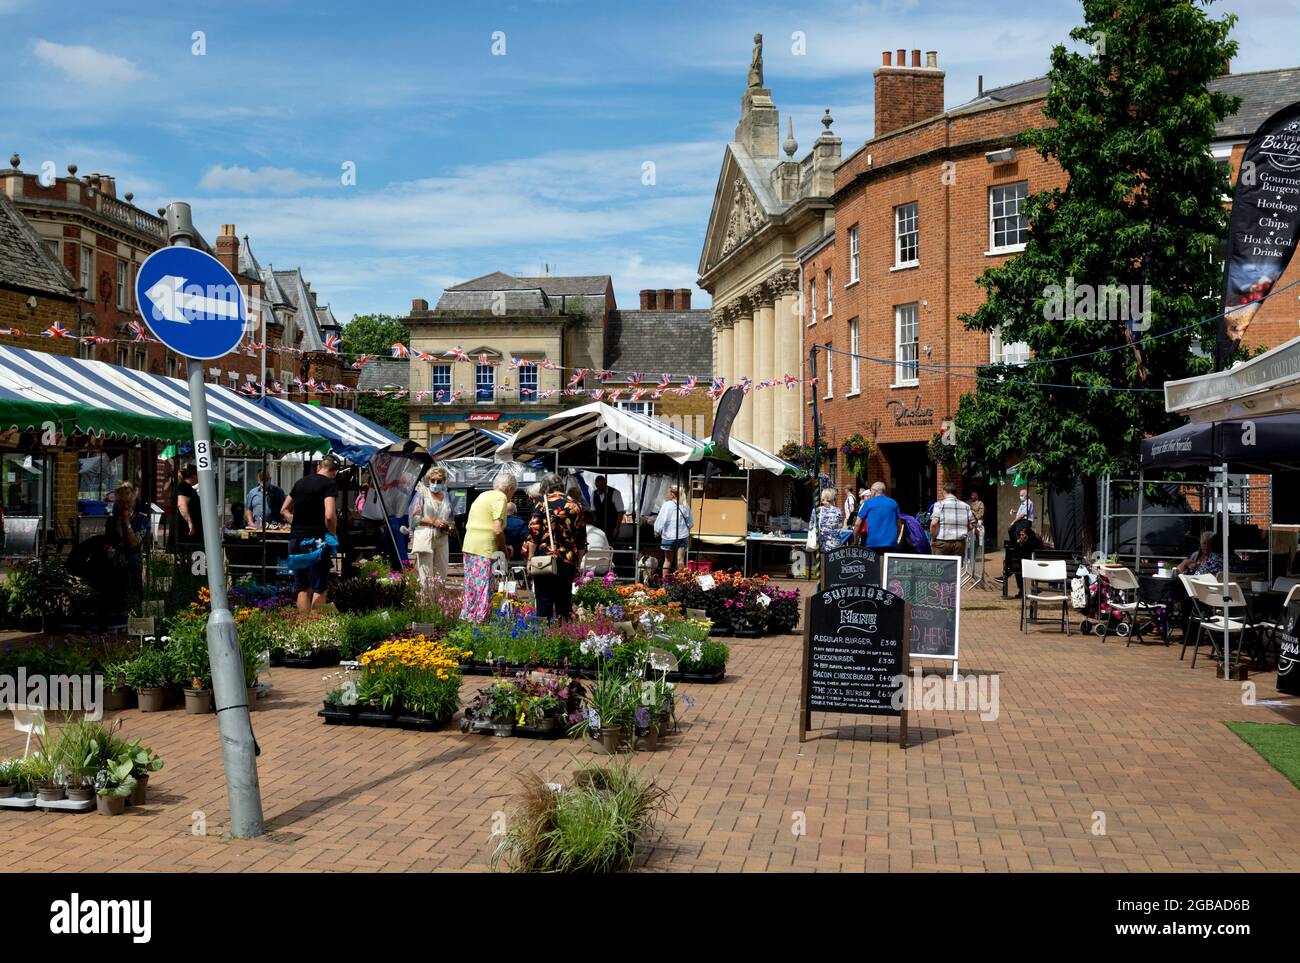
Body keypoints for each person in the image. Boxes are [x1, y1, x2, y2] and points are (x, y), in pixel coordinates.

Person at [281, 455, 340, 613]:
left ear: (318, 467)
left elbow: (284, 510)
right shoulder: (329, 484)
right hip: (316, 542)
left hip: (295, 540)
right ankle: (315, 629)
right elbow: (329, 515)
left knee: (303, 587)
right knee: (319, 588)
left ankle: (303, 627)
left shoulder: (300, 483)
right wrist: (333, 534)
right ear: (334, 472)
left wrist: (298, 521)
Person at [524, 473, 587, 620]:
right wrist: (578, 561)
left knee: (543, 597)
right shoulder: (575, 505)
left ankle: (545, 633)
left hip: (543, 558)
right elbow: (581, 539)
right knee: (564, 599)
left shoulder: (541, 504)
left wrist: (530, 559)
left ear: (545, 488)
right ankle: (563, 632)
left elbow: (534, 535)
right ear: (562, 487)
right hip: (567, 558)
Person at [461, 472, 517, 622]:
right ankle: (481, 622)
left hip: (469, 545)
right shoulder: (501, 497)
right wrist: (503, 550)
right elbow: (497, 529)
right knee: (484, 587)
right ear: (510, 489)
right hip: (484, 548)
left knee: (472, 587)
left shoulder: (483, 495)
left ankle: (469, 619)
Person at [409, 465, 453, 585]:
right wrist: (433, 522)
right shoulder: (422, 494)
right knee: (426, 575)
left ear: (444, 482)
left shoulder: (447, 496)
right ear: (428, 480)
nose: (435, 483)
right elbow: (414, 519)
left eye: (439, 481)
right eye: (432, 480)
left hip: (442, 538)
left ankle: (438, 602)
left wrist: (447, 526)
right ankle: (426, 602)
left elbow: (450, 519)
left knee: (441, 575)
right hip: (425, 538)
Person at [104, 482, 147, 598]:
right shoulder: (112, 520)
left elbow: (134, 543)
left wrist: (127, 523)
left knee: (134, 592)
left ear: (133, 502)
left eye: (128, 502)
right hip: (114, 563)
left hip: (133, 563)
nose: (125, 506)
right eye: (121, 503)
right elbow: (108, 540)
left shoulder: (141, 519)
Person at [654, 484, 693, 573]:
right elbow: (690, 523)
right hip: (682, 535)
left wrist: (657, 531)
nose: (667, 494)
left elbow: (660, 520)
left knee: (667, 561)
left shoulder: (667, 505)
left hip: (668, 536)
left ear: (672, 494)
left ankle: (665, 583)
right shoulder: (685, 505)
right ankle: (680, 582)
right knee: (680, 561)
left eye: (668, 492)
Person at [929, 483, 976, 557]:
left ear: (944, 491)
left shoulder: (939, 505)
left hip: (942, 542)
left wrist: (932, 537)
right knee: (956, 567)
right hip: (959, 543)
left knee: (940, 567)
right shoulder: (966, 506)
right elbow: (973, 523)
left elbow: (933, 524)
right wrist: (964, 530)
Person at [854, 481, 903, 550]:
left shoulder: (868, 503)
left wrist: (855, 541)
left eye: (871, 491)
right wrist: (895, 539)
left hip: (873, 543)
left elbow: (857, 524)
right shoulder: (893, 503)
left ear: (874, 491)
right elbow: (899, 525)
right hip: (891, 544)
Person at [1007, 521, 1045, 598]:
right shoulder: (1034, 541)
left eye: (1023, 535)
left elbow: (1019, 552)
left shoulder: (1028, 544)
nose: (1021, 537)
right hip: (1035, 567)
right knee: (1017, 565)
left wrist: (1018, 544)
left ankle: (1020, 589)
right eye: (1020, 535)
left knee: (1016, 567)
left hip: (1027, 566)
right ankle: (1031, 588)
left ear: (1027, 535)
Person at [175, 464, 203, 546]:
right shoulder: (183, 486)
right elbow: (181, 505)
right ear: (194, 475)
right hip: (185, 530)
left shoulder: (187, 487)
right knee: (188, 552)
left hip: (188, 529)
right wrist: (190, 523)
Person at [591, 475, 624, 540]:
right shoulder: (594, 494)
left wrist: (617, 528)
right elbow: (593, 511)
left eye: (601, 486)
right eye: (598, 486)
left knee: (611, 545)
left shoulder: (615, 493)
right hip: (599, 527)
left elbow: (620, 512)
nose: (599, 488)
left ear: (605, 483)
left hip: (612, 526)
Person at [813, 488, 845, 552]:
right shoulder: (838, 511)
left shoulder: (817, 510)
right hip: (836, 544)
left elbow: (812, 526)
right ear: (832, 497)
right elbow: (840, 526)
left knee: (823, 561)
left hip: (822, 544)